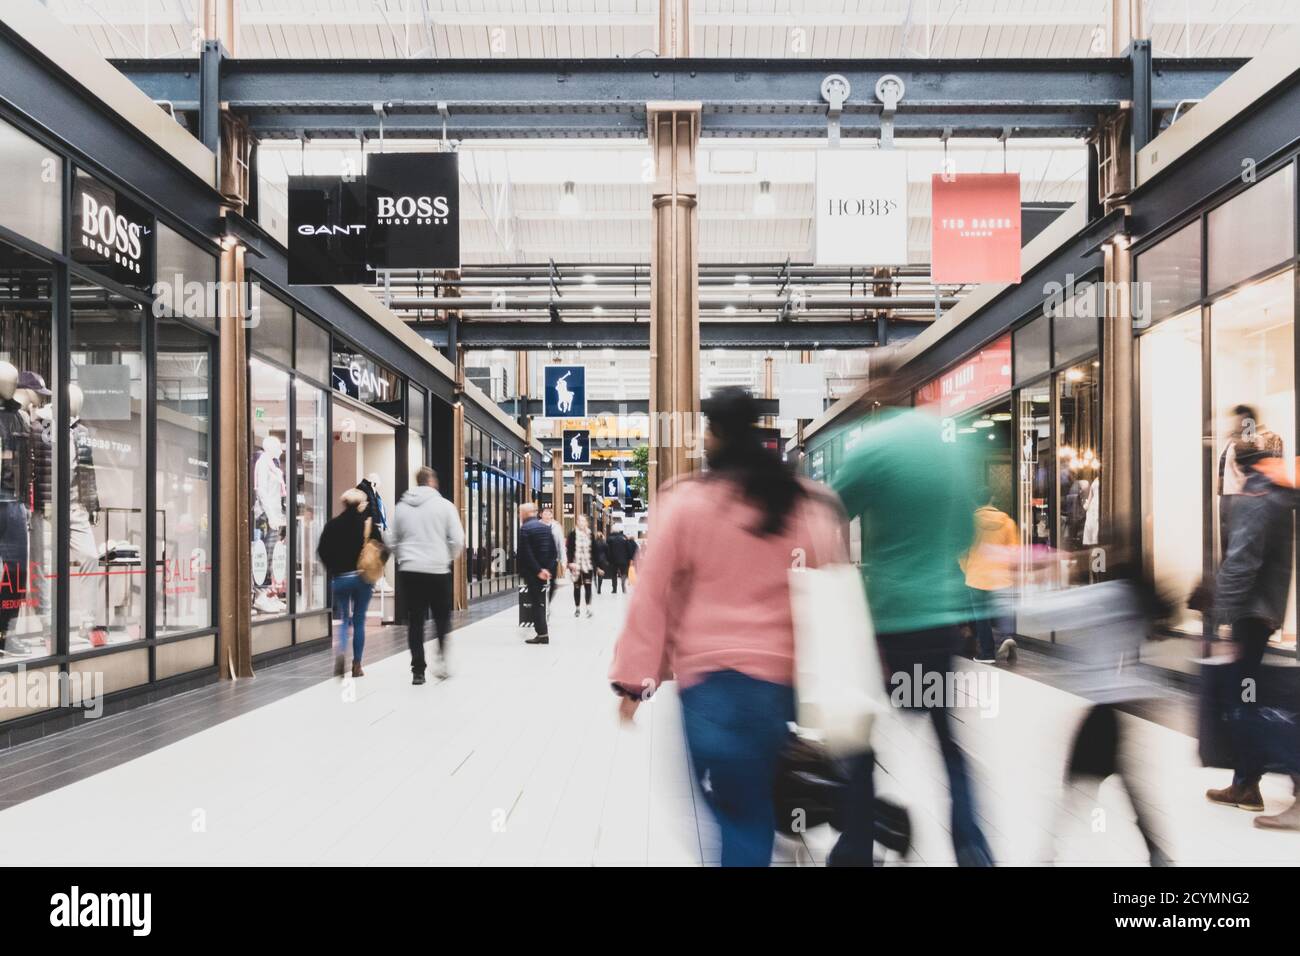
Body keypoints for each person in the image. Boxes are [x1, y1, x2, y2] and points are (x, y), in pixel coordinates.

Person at [610, 388, 846, 867]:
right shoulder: (802, 503)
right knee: (749, 806)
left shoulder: (685, 504)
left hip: (707, 690)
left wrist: (635, 681)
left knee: (731, 812)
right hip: (775, 690)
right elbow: (833, 592)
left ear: (711, 433)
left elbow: (652, 596)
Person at [831, 401, 994, 867]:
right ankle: (971, 846)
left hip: (885, 623)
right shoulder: (947, 445)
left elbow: (828, 511)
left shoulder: (873, 447)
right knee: (948, 743)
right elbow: (965, 533)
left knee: (860, 741)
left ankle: (856, 848)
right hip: (939, 622)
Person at [1205, 432, 1299, 830]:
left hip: (1249, 616)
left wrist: (1217, 618)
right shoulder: (1277, 497)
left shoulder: (1256, 500)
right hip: (1261, 614)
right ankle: (1245, 782)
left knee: (1244, 703)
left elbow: (1242, 563)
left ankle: (1279, 773)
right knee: (1246, 697)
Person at [388, 466, 465, 684]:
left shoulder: (401, 507)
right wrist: (447, 556)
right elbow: (458, 539)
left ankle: (418, 671)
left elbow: (391, 538)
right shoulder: (445, 506)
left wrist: (403, 556)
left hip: (410, 570)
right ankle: (440, 659)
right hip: (437, 570)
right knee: (442, 618)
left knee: (416, 621)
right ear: (432, 482)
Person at [316, 488, 383, 679]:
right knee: (360, 620)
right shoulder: (367, 525)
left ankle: (341, 653)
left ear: (344, 503)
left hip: (341, 579)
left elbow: (322, 551)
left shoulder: (332, 525)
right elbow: (382, 548)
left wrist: (334, 569)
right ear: (360, 504)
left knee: (344, 619)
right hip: (362, 578)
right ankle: (357, 664)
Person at [959, 488, 1019, 665]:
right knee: (1002, 610)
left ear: (976, 502)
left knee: (982, 617)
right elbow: (1014, 551)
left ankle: (987, 653)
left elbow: (961, 551)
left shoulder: (970, 523)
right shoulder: (1007, 521)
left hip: (976, 576)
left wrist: (967, 568)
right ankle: (1006, 637)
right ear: (992, 499)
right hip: (1001, 576)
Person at [517, 502, 556, 645]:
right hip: (544, 571)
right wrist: (548, 569)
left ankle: (542, 634)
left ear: (525, 514)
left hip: (533, 572)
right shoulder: (546, 528)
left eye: (520, 513)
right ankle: (542, 633)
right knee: (540, 602)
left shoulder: (525, 529)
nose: (519, 515)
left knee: (536, 603)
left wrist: (538, 571)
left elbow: (526, 553)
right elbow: (553, 551)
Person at [567, 514, 595, 618]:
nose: (581, 523)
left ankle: (588, 608)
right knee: (577, 587)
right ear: (577, 522)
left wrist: (598, 565)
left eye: (583, 521)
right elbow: (569, 549)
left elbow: (594, 550)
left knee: (588, 586)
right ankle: (577, 608)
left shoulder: (590, 534)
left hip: (587, 564)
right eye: (579, 521)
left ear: (586, 523)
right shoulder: (573, 534)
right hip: (576, 564)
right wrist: (570, 562)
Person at [541, 506, 566, 606]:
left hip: (552, 559)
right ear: (541, 514)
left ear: (551, 515)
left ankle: (548, 601)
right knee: (541, 581)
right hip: (540, 558)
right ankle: (542, 601)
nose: (547, 515)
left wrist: (563, 561)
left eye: (549, 513)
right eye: (545, 513)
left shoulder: (556, 526)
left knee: (552, 582)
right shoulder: (537, 525)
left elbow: (561, 544)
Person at [606, 523, 637, 594]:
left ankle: (614, 589)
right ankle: (623, 587)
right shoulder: (624, 538)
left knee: (614, 575)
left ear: (612, 530)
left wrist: (608, 559)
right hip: (624, 560)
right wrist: (630, 558)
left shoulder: (609, 539)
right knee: (623, 573)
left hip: (613, 560)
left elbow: (608, 550)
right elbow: (628, 549)